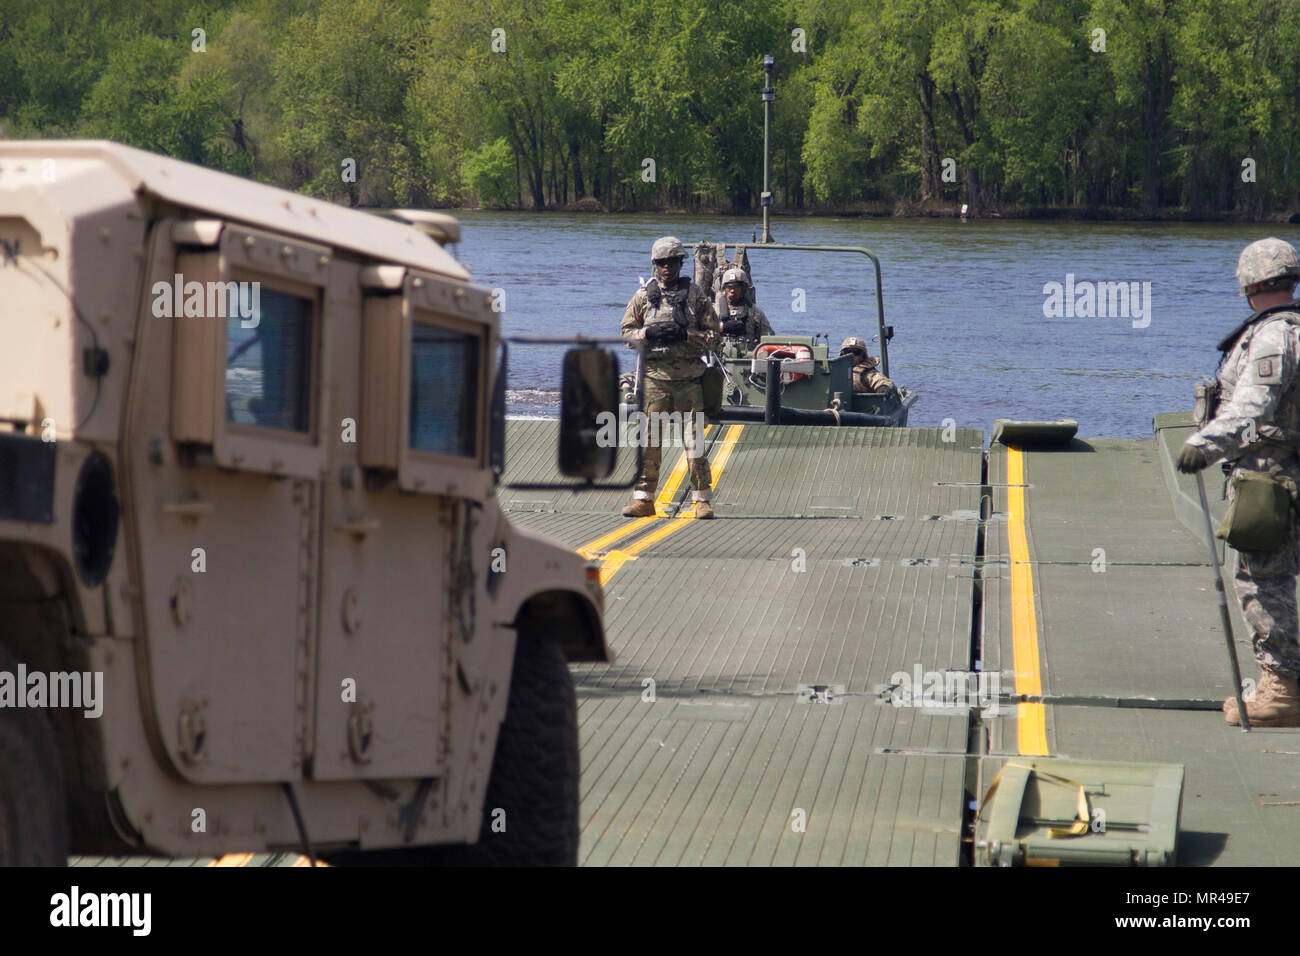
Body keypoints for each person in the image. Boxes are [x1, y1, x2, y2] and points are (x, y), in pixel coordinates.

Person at [1176, 237, 1300, 727]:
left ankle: (1282, 690)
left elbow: (1254, 406)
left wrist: (1205, 446)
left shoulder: (1272, 337)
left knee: (1263, 580)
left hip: (1271, 477)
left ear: (1249, 285)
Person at [619, 236, 720, 519]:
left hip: (689, 379)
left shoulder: (696, 297)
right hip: (654, 379)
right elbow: (625, 334)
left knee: (694, 442)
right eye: (662, 263)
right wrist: (646, 334)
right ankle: (644, 499)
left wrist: (686, 335)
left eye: (672, 262)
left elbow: (715, 338)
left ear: (680, 263)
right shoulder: (642, 298)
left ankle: (701, 499)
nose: (667, 268)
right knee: (649, 441)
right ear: (655, 265)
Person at [718, 268, 772, 348]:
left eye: (736, 287)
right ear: (725, 289)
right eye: (729, 287)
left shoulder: (756, 313)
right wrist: (720, 327)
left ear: (743, 289)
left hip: (748, 356)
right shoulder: (714, 311)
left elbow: (768, 338)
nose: (732, 291)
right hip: (720, 357)